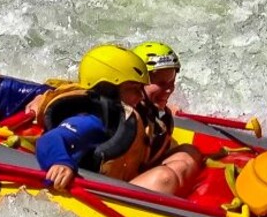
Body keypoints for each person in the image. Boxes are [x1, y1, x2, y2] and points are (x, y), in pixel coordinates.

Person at [33, 44, 202, 196]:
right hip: (100, 192)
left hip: (123, 177)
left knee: (188, 154)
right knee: (164, 178)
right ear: (110, 89)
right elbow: (50, 139)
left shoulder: (140, 113)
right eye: (134, 88)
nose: (139, 93)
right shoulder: (96, 118)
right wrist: (60, 163)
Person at [132, 40, 207, 180]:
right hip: (113, 187)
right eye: (161, 83)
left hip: (136, 172)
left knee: (190, 152)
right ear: (136, 83)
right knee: (164, 177)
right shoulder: (125, 118)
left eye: (171, 83)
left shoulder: (151, 113)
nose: (168, 90)